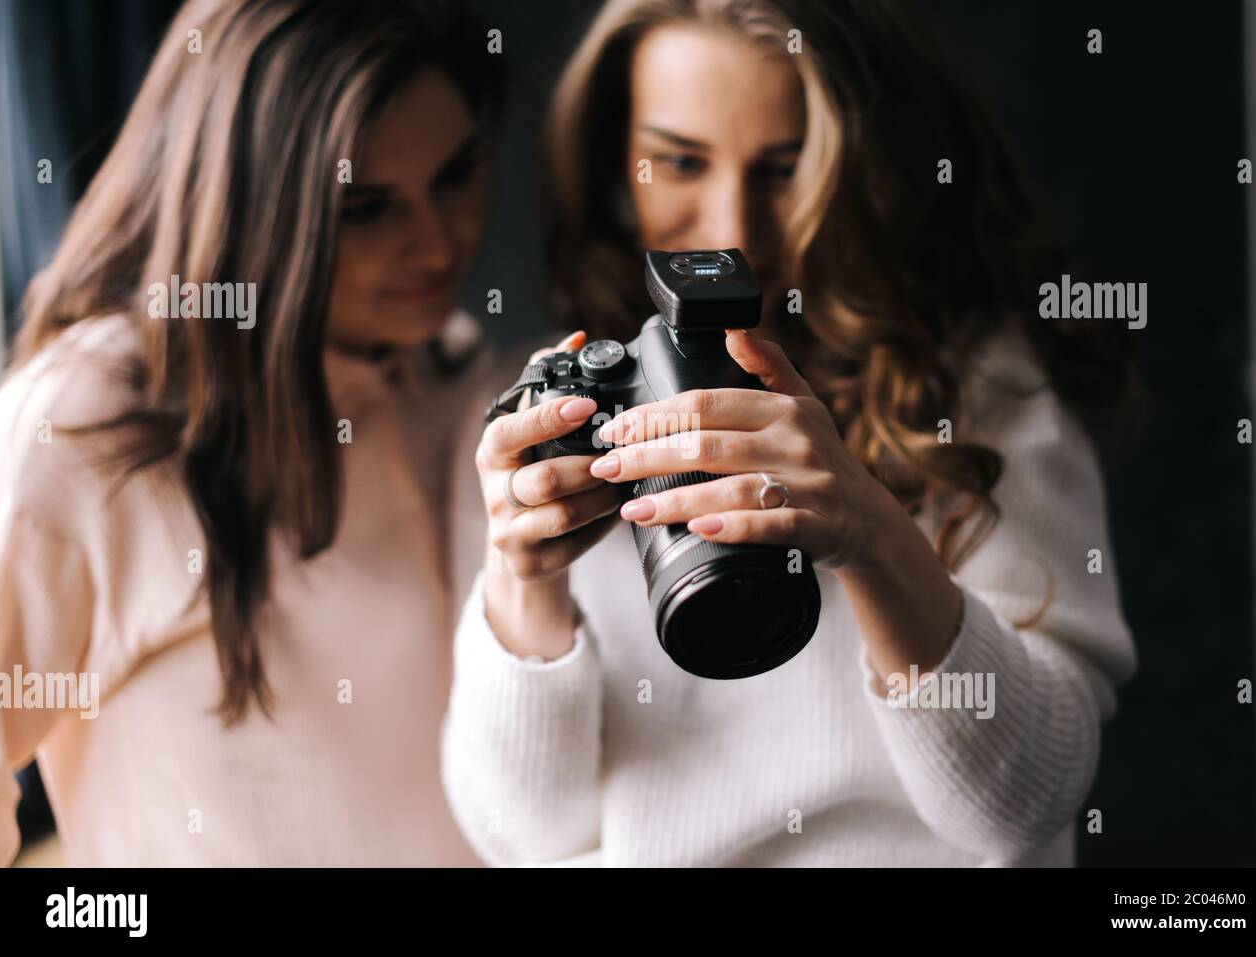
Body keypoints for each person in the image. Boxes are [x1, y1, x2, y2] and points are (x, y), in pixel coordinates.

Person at [442, 0, 1142, 866]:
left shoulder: (982, 401)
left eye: (785, 168)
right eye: (681, 162)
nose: (735, 231)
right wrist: (524, 582)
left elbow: (1025, 804)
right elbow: (521, 838)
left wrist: (870, 532)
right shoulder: (560, 412)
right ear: (616, 167)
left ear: (862, 167)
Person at [0, 0, 499, 866]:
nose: (438, 243)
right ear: (244, 207)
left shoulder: (448, 371)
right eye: (368, 208)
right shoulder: (89, 415)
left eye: (454, 176)